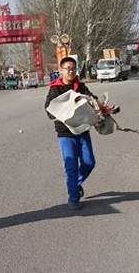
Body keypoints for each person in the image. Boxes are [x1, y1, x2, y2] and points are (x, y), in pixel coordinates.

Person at [44, 56, 115, 210]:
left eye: (73, 68)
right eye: (67, 68)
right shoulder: (55, 88)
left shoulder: (81, 87)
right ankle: (73, 198)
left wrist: (104, 108)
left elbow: (93, 101)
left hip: (82, 130)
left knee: (89, 162)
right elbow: (49, 111)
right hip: (65, 133)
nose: (70, 71)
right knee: (71, 166)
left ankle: (75, 184)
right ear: (61, 71)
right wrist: (66, 109)